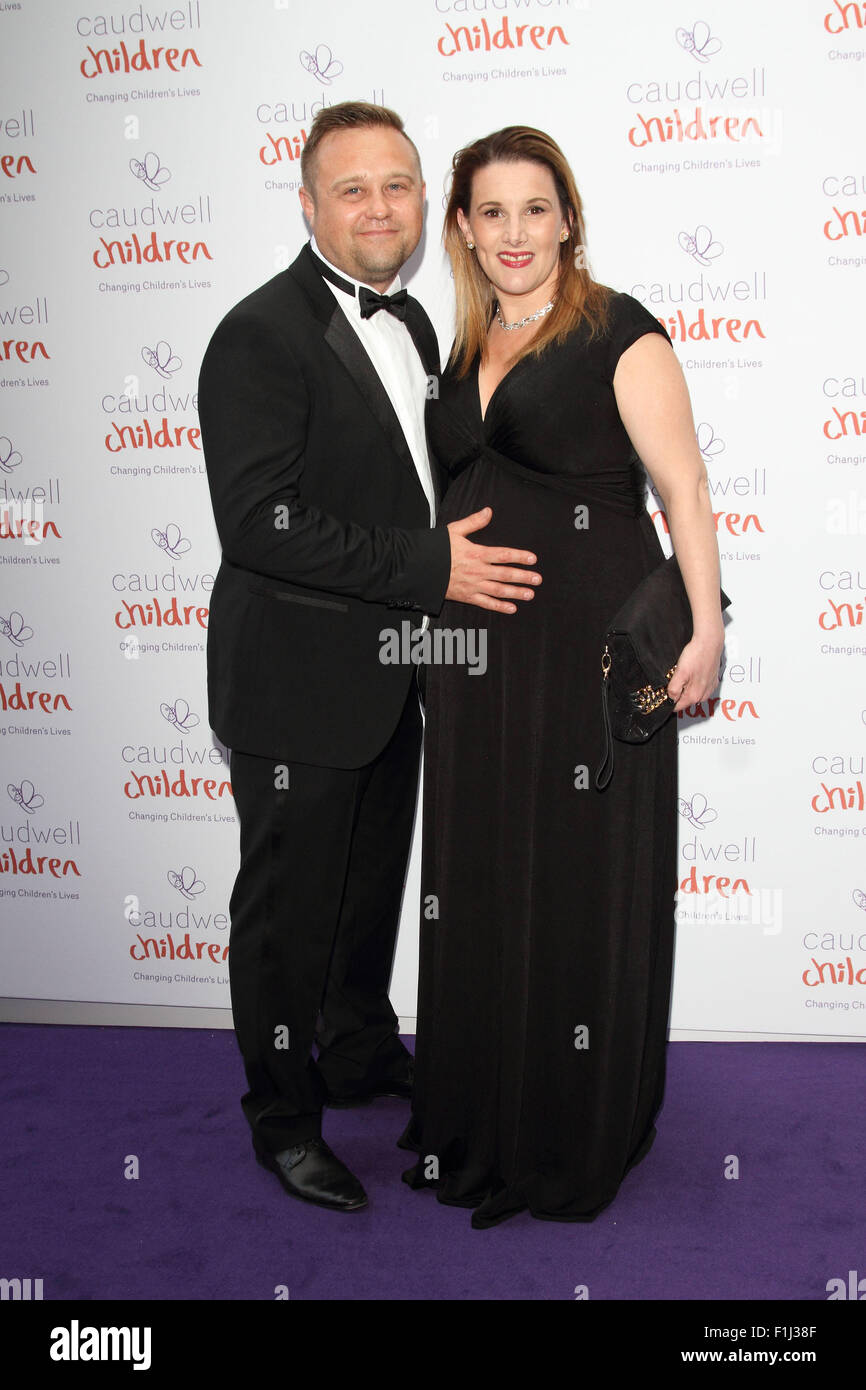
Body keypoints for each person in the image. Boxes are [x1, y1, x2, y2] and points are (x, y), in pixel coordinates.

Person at [196, 103, 541, 1213]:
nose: (379, 207)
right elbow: (259, 522)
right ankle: (282, 1119)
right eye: (352, 189)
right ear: (306, 205)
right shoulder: (259, 334)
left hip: (393, 673)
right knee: (290, 913)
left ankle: (351, 1051)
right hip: (295, 684)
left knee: (364, 900)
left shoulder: (420, 329)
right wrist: (424, 565)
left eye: (396, 184)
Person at [399, 126, 725, 1228]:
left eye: (533, 208)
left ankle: (563, 1125)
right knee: (482, 866)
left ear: (568, 218)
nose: (513, 232)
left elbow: (681, 489)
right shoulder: (460, 349)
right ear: (462, 229)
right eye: (489, 212)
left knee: (577, 874)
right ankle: (480, 1112)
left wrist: (706, 628)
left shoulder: (619, 334)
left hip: (584, 644)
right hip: (478, 656)